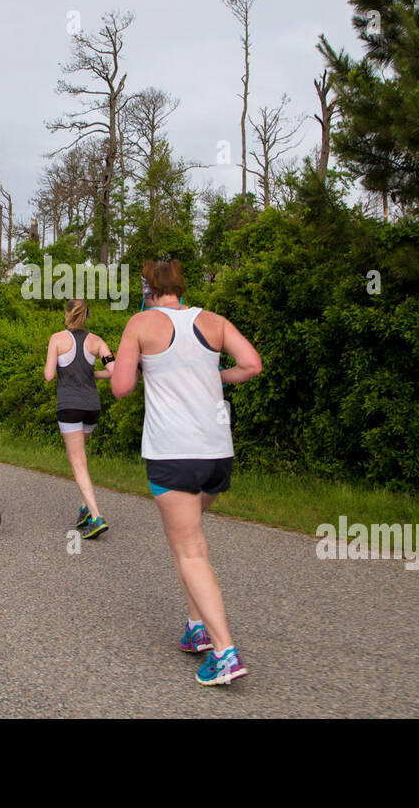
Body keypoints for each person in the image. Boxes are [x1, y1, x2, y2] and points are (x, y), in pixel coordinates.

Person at [110, 259, 262, 686]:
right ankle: (196, 628)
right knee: (190, 541)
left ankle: (225, 652)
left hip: (173, 453)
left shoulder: (140, 324)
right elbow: (252, 364)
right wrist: (217, 376)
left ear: (147, 289)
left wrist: (137, 365)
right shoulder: (214, 321)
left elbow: (120, 388)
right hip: (216, 454)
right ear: (181, 288)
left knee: (190, 550)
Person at [43, 298, 115, 539]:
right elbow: (114, 371)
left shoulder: (57, 339)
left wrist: (56, 363)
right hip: (92, 407)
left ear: (67, 315)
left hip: (69, 406)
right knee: (81, 459)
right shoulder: (97, 341)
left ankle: (96, 517)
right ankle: (84, 507)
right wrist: (93, 372)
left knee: (77, 462)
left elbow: (49, 375)